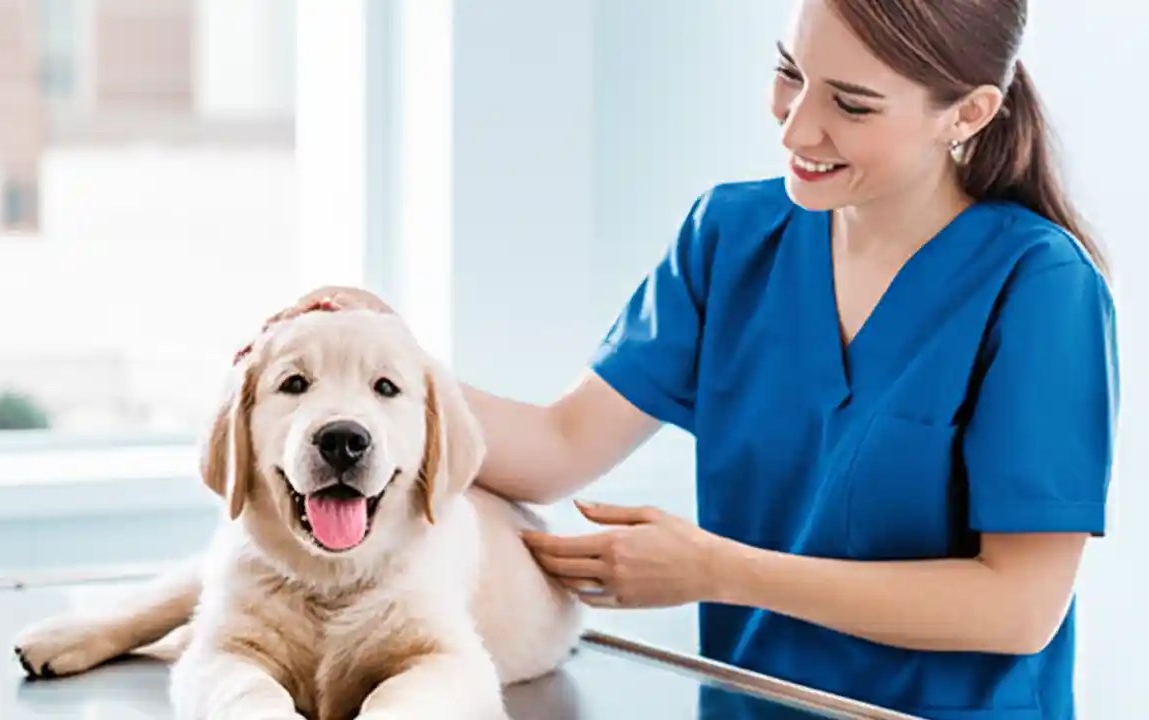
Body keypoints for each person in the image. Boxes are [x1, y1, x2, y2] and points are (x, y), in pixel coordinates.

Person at [273, 1, 1119, 717]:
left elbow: (1018, 607)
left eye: (852, 106)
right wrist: (391, 357)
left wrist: (718, 571)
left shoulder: (1039, 287)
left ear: (967, 113)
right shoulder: (730, 238)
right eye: (789, 73)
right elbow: (558, 447)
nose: (797, 125)